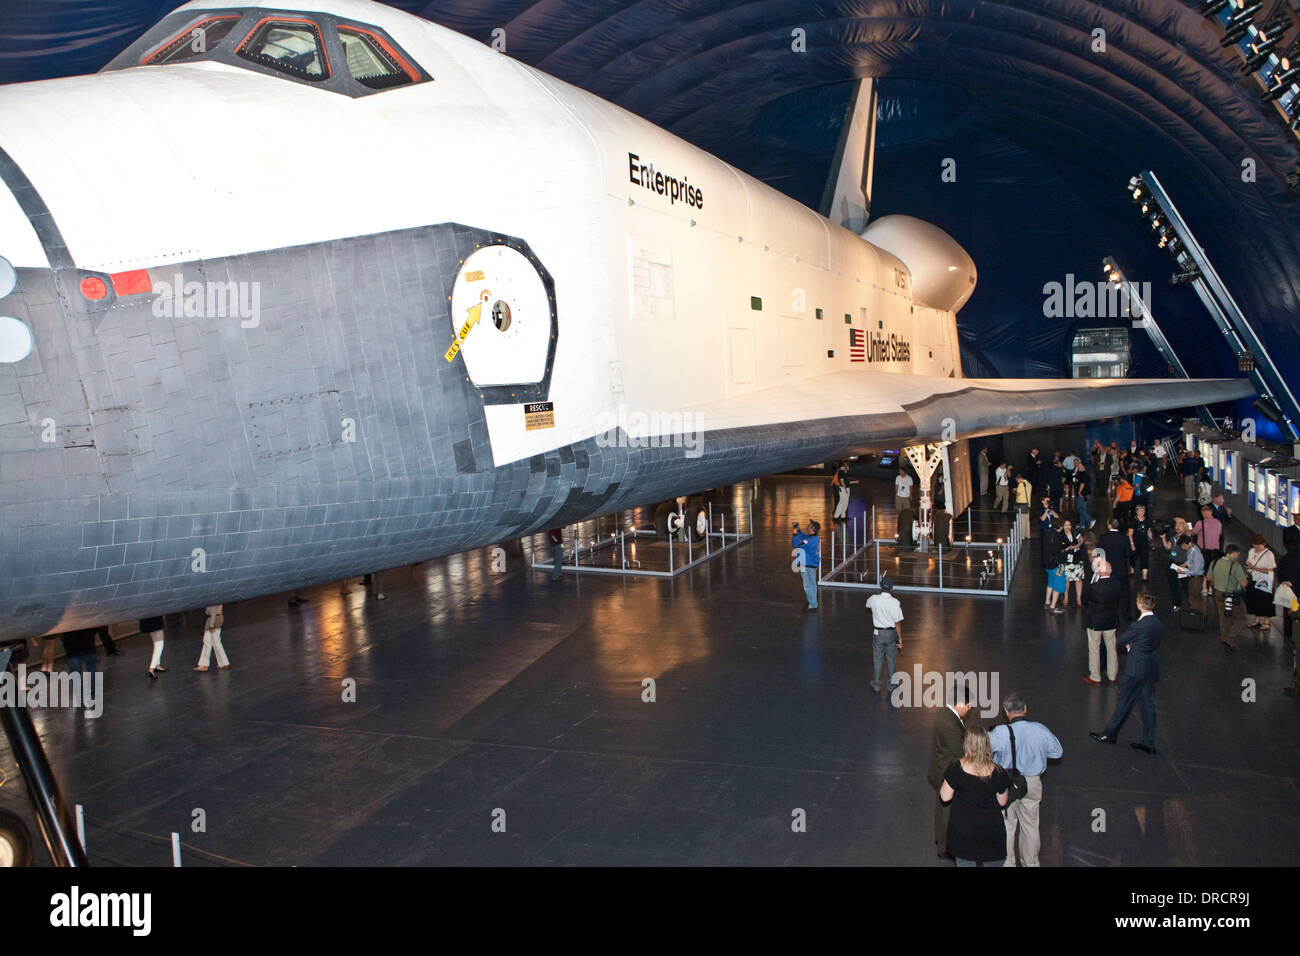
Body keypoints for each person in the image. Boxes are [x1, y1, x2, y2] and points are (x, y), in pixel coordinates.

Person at [988, 692, 1062, 867]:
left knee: (1007, 826)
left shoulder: (1001, 732)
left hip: (1006, 784)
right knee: (1030, 826)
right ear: (1025, 709)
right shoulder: (1040, 730)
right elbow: (1057, 752)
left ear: (1006, 711)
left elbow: (982, 749)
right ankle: (1031, 863)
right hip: (1032, 783)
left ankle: (1008, 863)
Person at [1092, 591, 1163, 753]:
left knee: (1124, 703)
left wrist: (1130, 648)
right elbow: (1151, 643)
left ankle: (1109, 734)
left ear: (1140, 604)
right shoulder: (1158, 623)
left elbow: (1120, 642)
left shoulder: (1139, 625)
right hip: (1150, 669)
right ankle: (1149, 742)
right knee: (1148, 706)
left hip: (1136, 669)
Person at [939, 724, 1010, 867]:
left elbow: (945, 797)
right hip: (991, 831)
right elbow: (1003, 802)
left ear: (967, 744)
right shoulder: (998, 771)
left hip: (964, 831)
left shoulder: (956, 768)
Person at [928, 684, 973, 861]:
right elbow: (960, 751)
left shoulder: (946, 715)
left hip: (941, 769)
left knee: (943, 810)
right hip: (947, 773)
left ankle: (942, 842)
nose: (970, 708)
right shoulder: (949, 723)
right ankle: (945, 848)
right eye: (968, 705)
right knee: (947, 813)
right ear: (960, 703)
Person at [1083, 559, 1123, 684]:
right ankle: (1112, 676)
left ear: (1099, 572)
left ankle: (1095, 676)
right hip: (1111, 620)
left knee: (1094, 648)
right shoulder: (1117, 584)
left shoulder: (1094, 587)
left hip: (1095, 621)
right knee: (1111, 647)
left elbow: (1084, 600)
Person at [866, 578, 904, 692]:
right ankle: (891, 684)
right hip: (891, 633)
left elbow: (868, 605)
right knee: (891, 659)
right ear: (892, 588)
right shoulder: (895, 602)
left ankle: (876, 684)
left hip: (878, 633)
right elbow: (897, 622)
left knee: (877, 658)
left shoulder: (873, 599)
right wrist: (899, 638)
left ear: (881, 587)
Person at [1210, 545, 1248, 652]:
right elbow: (1243, 584)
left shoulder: (1215, 562)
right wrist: (1246, 578)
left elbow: (1210, 578)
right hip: (1231, 595)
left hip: (1218, 593)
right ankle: (1229, 637)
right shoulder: (1235, 565)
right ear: (1234, 553)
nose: (1237, 557)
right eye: (1237, 554)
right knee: (1241, 617)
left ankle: (1224, 637)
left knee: (1223, 617)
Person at [1098, 518, 1132, 618]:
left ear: (1109, 525)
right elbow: (1128, 553)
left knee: (1108, 592)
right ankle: (1126, 613)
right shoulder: (1124, 538)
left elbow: (1099, 552)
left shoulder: (1103, 537)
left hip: (1107, 570)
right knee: (1125, 592)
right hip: (1122, 569)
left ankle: (1109, 612)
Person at [1243, 535, 1276, 630]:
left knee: (1265, 601)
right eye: (1255, 545)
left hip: (1263, 581)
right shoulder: (1251, 551)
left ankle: (1266, 622)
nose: (1256, 547)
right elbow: (1248, 563)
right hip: (1252, 579)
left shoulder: (1269, 554)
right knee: (1254, 600)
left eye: (1258, 545)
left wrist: (1254, 567)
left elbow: (1270, 570)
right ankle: (1257, 619)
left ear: (1263, 544)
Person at [1169, 534, 1205, 614]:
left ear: (1189, 543)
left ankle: (1197, 614)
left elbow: (1196, 570)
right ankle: (1193, 612)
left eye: (1184, 546)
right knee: (1192, 597)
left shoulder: (1196, 553)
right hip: (1192, 577)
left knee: (1195, 597)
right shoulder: (1190, 550)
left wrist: (1184, 572)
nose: (1183, 548)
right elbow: (1189, 560)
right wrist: (1184, 565)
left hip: (1196, 577)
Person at [1193, 505, 1223, 599]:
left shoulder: (1200, 523)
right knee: (1212, 569)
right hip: (1215, 549)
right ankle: (1211, 588)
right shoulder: (1218, 523)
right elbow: (1219, 534)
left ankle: (1204, 587)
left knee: (1205, 568)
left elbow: (1194, 532)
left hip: (1204, 549)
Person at [792, 521, 821, 611]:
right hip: (811, 564)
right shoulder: (814, 538)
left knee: (807, 585)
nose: (807, 526)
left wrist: (794, 535)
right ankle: (813, 602)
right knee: (812, 584)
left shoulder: (809, 540)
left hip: (807, 564)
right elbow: (804, 537)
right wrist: (798, 531)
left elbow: (797, 544)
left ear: (813, 529)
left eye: (809, 526)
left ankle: (812, 604)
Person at [195, 604, 229, 672]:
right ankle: (223, 663)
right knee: (213, 641)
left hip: (213, 619)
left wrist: (211, 625)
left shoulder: (212, 598)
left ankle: (204, 665)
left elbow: (213, 610)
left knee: (210, 641)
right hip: (215, 618)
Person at [1127, 504, 1153, 584]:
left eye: (1143, 510)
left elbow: (1149, 531)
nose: (1142, 512)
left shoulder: (1147, 520)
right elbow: (1130, 534)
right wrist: (1132, 544)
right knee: (1133, 558)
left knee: (1145, 559)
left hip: (1144, 543)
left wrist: (1151, 541)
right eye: (1140, 510)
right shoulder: (1133, 521)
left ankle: (1144, 576)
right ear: (1137, 512)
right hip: (1135, 542)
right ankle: (1132, 569)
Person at [1061, 519, 1084, 606]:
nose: (1067, 527)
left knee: (1078, 579)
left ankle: (1079, 598)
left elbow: (1081, 540)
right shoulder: (1061, 535)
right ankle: (1066, 596)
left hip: (1077, 558)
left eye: (1069, 525)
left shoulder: (1075, 532)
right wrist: (1067, 548)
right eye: (1066, 525)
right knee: (1067, 579)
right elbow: (1061, 547)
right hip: (1067, 559)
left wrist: (1078, 545)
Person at [140, 615, 166, 679]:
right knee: (159, 644)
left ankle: (157, 665)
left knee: (156, 644)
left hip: (147, 620)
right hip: (154, 620)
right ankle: (151, 669)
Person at [1013, 472, 1032, 539]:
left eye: (1017, 480)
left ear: (1018, 479)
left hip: (1021, 505)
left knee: (1022, 521)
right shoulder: (1029, 484)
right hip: (1027, 504)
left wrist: (1014, 491)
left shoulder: (1021, 484)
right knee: (1027, 521)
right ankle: (1028, 535)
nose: (1017, 482)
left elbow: (1018, 493)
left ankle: (1022, 536)